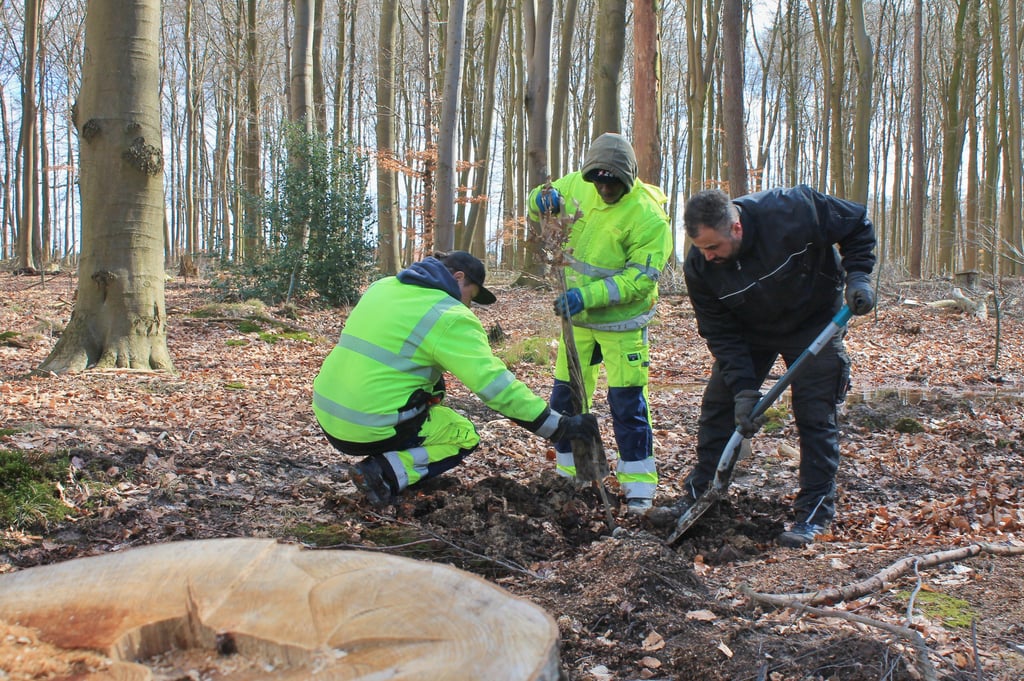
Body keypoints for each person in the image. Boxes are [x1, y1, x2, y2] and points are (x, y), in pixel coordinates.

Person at [312, 250, 599, 506]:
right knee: (463, 434)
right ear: (458, 277)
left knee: (433, 400)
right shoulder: (449, 315)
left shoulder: (383, 287)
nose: (469, 306)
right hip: (366, 424)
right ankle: (382, 474)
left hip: (327, 412)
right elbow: (494, 384)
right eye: (471, 296)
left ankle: (402, 471)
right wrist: (556, 427)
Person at [677, 185, 876, 546]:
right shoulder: (699, 266)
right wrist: (743, 390)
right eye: (700, 248)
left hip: (814, 320)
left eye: (712, 247)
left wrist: (858, 276)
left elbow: (857, 222)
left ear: (735, 228)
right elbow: (719, 332)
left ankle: (814, 513)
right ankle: (700, 495)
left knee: (815, 413)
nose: (706, 256)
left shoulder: (792, 210)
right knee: (719, 407)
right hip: (749, 330)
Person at [527, 133, 673, 515]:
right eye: (599, 181)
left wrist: (585, 297)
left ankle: (639, 490)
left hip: (622, 324)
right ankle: (570, 477)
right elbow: (538, 203)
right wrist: (539, 201)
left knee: (626, 404)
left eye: (613, 183)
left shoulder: (648, 217)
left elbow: (640, 279)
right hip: (579, 324)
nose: (604, 189)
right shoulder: (578, 184)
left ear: (628, 179)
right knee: (567, 397)